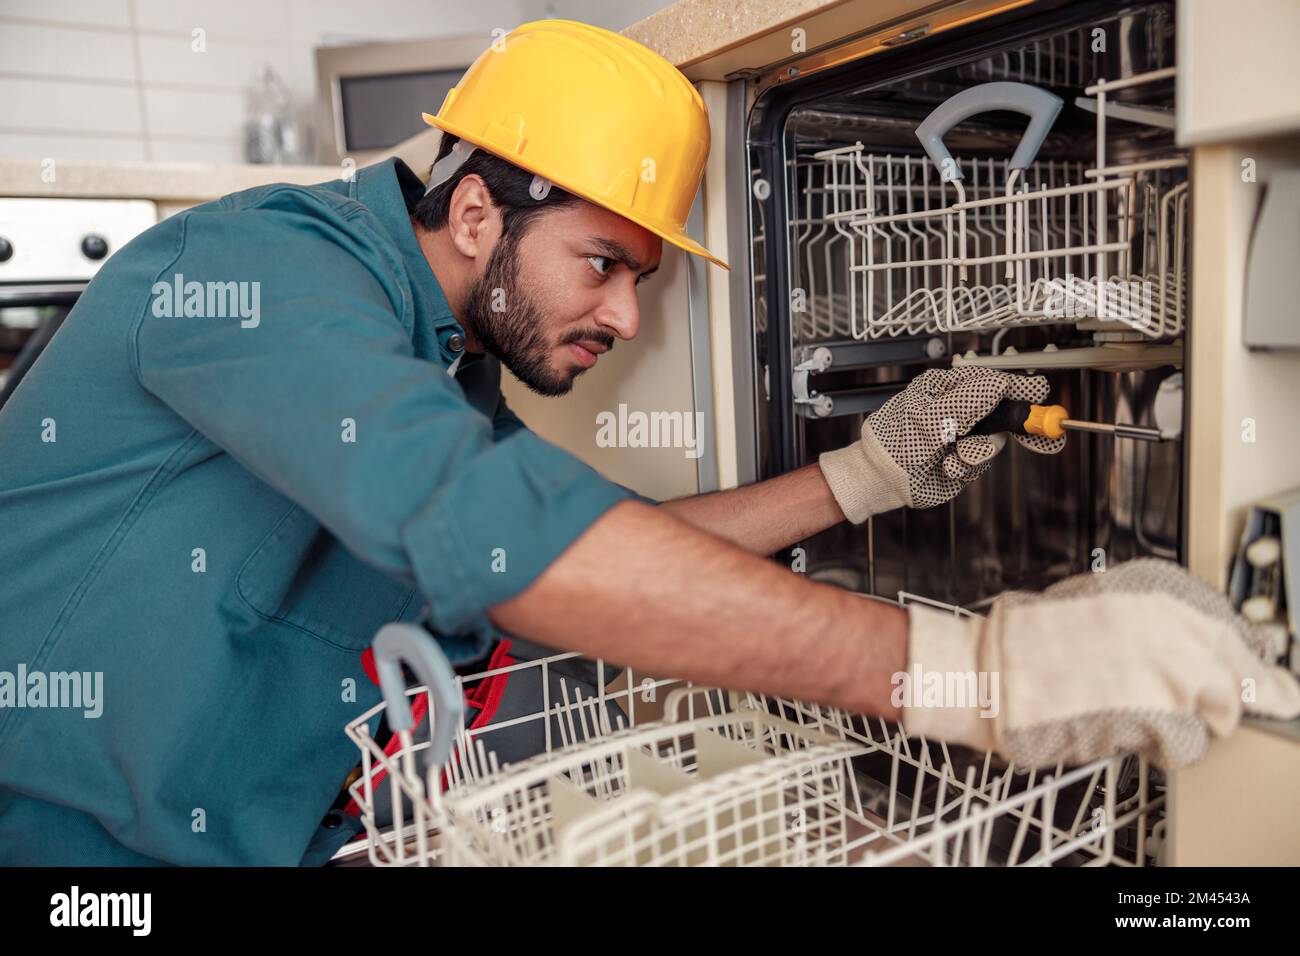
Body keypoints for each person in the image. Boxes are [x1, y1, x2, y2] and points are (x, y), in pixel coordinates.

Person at [0, 19, 1295, 866]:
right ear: (472, 211)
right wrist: (981, 676)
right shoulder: (253, 272)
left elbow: (579, 547)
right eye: (606, 264)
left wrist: (858, 477)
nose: (625, 314)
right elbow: (520, 552)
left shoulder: (434, 365)